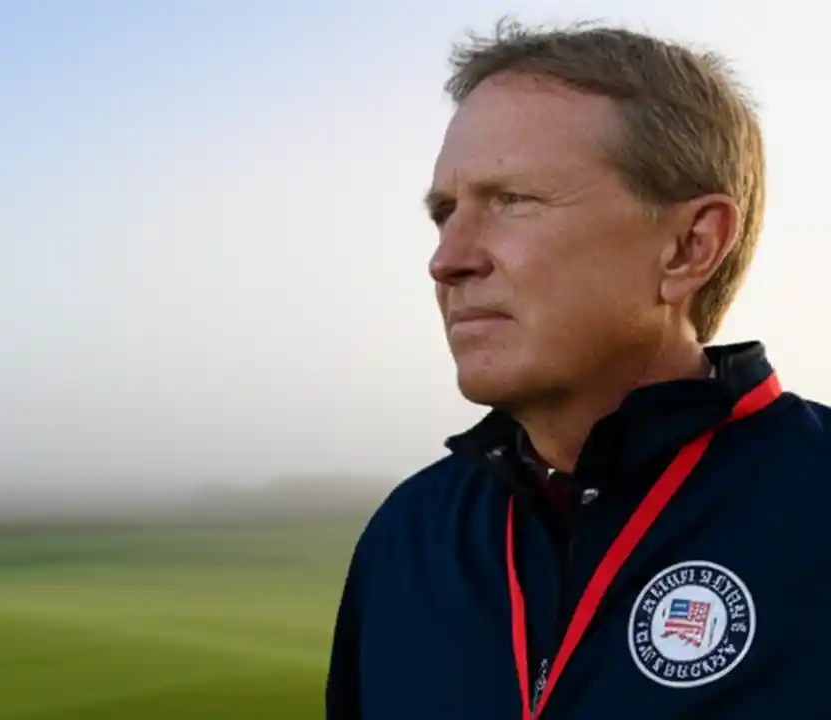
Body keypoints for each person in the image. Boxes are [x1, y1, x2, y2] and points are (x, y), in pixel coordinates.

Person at [325, 19, 831, 720]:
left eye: (513, 200)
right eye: (444, 213)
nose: (447, 259)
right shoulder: (408, 537)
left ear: (689, 246)